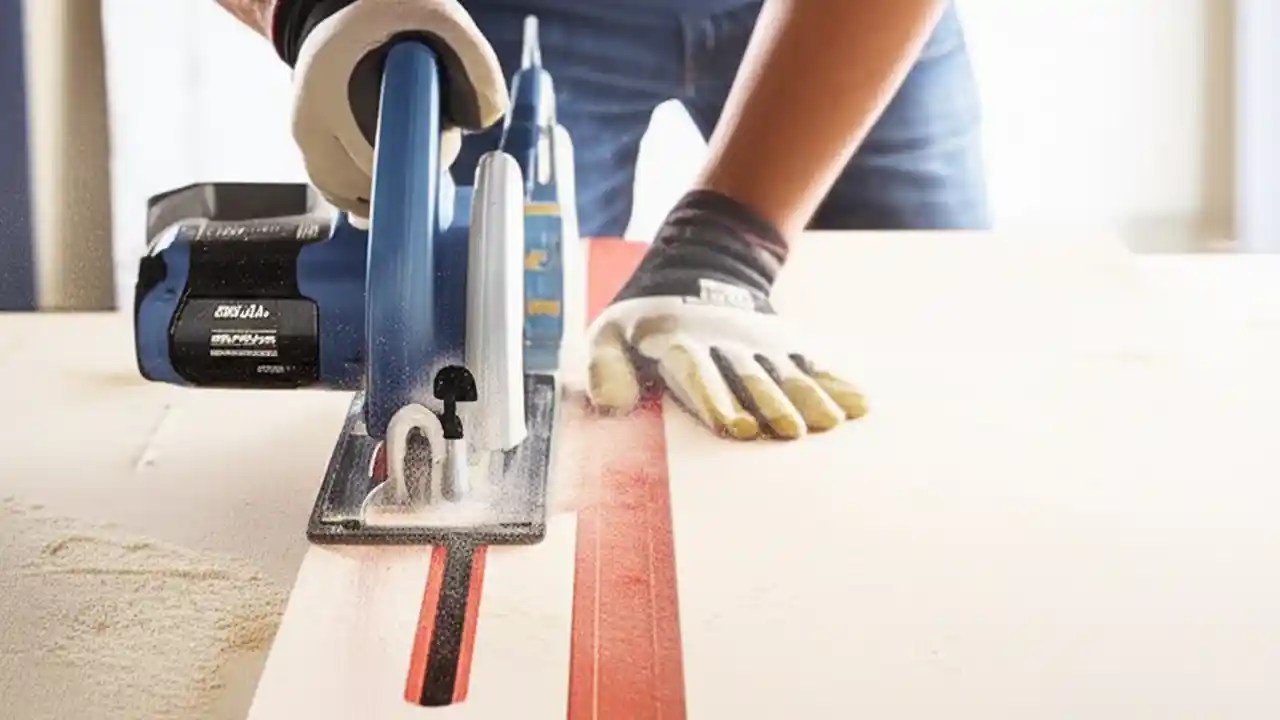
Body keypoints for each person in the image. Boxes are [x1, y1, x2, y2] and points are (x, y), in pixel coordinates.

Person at [214, 0, 989, 440]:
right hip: (507, 15)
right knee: (462, 345)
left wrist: (731, 238)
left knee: (938, 350)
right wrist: (308, 7)